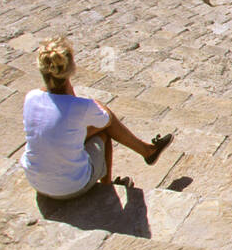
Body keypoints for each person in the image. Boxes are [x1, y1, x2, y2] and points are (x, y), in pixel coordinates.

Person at [20, 36, 173, 199]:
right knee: (105, 129)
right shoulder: (81, 106)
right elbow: (105, 119)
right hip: (71, 187)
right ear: (71, 68)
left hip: (36, 181)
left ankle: (147, 151)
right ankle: (109, 185)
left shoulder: (31, 97)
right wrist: (95, 103)